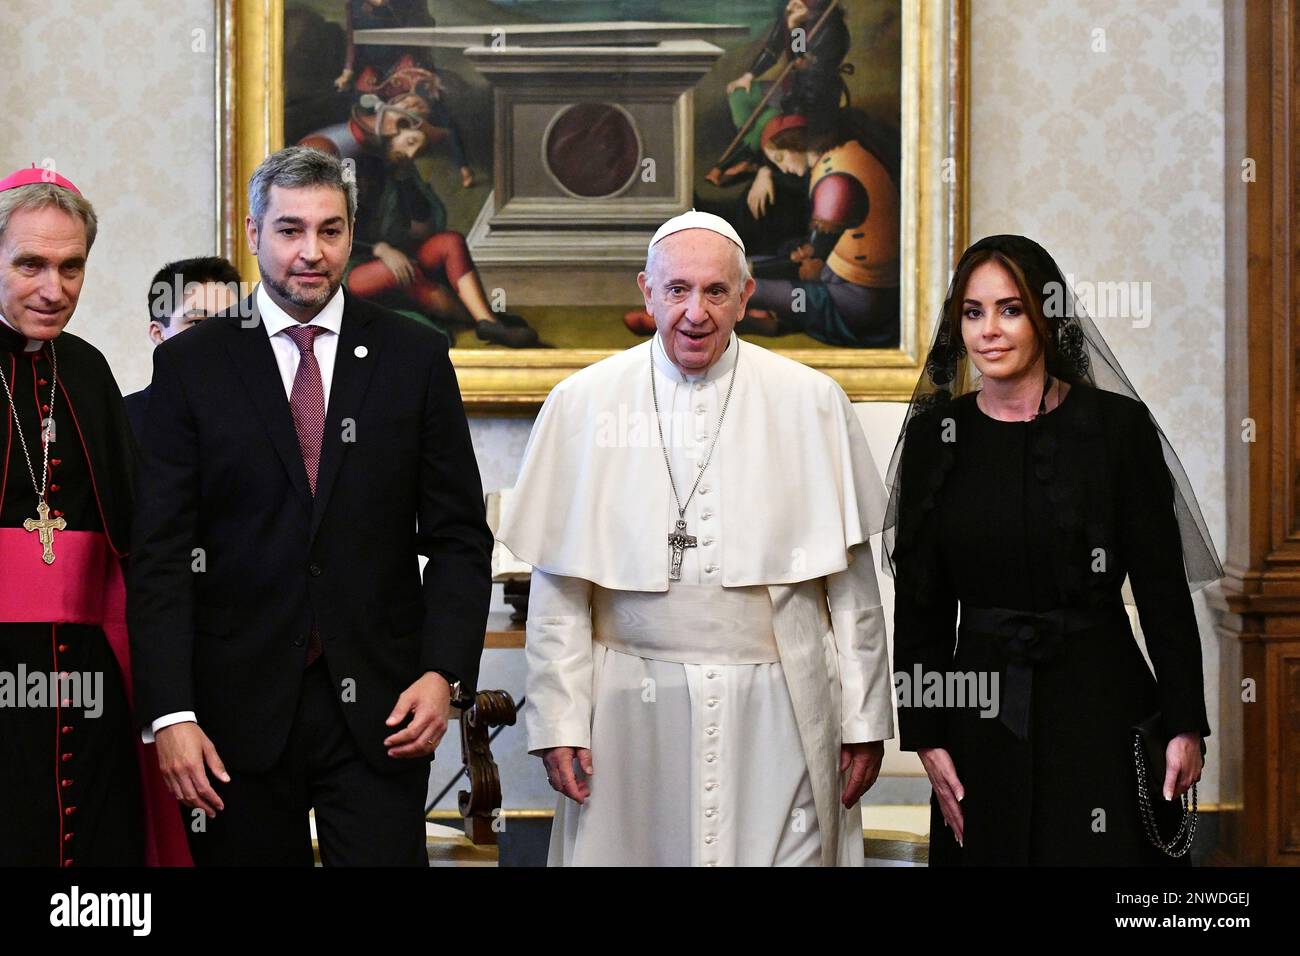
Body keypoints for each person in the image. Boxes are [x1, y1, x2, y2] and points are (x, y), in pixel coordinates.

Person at [127, 146, 493, 866]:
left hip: (384, 710)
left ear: (352, 235)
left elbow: (457, 538)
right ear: (254, 231)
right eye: (290, 230)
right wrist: (169, 712)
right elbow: (161, 555)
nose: (311, 252)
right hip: (235, 712)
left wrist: (442, 674)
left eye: (330, 231)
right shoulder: (191, 365)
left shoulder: (413, 355)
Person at [499, 209, 894, 866]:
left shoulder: (811, 401)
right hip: (627, 708)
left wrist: (863, 721)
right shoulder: (583, 403)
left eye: (716, 291)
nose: (695, 312)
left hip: (784, 706)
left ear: (745, 298)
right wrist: (559, 720)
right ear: (646, 293)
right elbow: (561, 593)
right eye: (677, 289)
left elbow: (852, 593)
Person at [884, 234, 1221, 865]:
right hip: (978, 712)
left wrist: (1185, 723)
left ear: (1046, 315)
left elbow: (1162, 592)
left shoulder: (1118, 430)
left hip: (1104, 708)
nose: (990, 330)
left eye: (1010, 309)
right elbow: (920, 610)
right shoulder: (937, 437)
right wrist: (926, 737)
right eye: (973, 311)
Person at [0, 165, 188, 866]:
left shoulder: (85, 368)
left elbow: (141, 538)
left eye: (71, 267)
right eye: (30, 265)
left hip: (91, 675)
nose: (54, 290)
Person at [124, 256, 241, 441]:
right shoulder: (124, 420)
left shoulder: (268, 416)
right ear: (158, 333)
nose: (217, 335)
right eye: (196, 322)